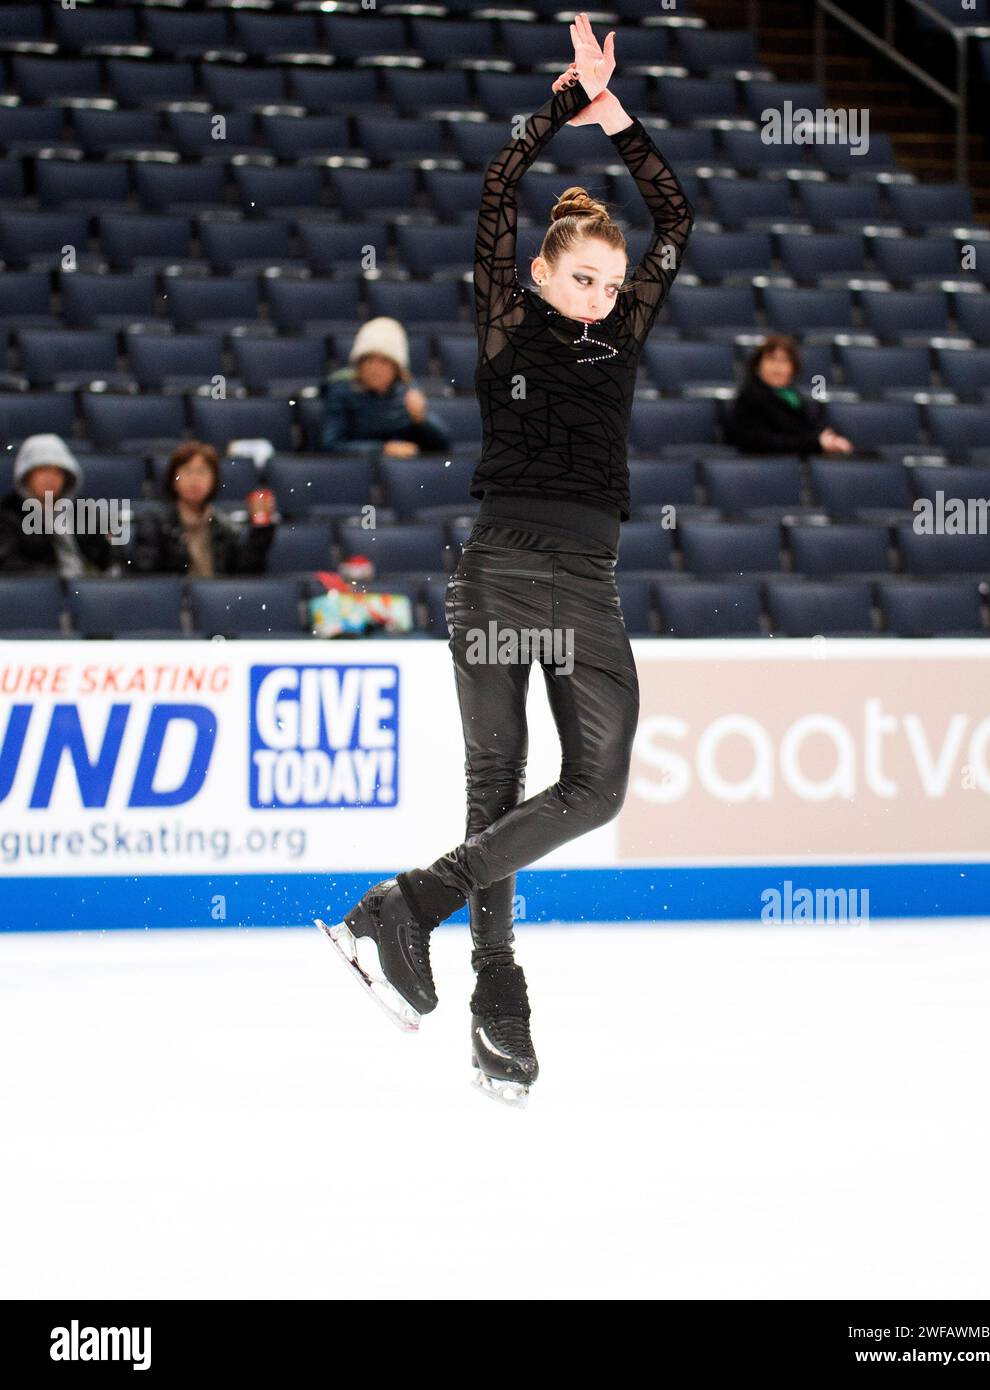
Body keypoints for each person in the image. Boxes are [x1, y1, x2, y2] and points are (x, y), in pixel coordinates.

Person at [317, 15, 694, 1103]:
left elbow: (674, 211)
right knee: (495, 793)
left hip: (585, 581)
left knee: (594, 787)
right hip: (499, 567)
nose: (600, 296)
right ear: (542, 271)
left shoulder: (619, 338)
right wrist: (555, 108)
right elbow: (495, 184)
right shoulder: (502, 320)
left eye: (610, 284)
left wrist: (613, 110)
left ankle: (406, 904)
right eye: (581, 279)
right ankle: (497, 997)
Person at [131, 440, 276, 576]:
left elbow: (245, 573)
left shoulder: (224, 526)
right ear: (173, 479)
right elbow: (147, 575)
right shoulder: (154, 523)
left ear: (214, 480)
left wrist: (261, 525)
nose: (195, 479)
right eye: (187, 471)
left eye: (202, 472)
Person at [319, 316, 451, 458]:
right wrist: (383, 449)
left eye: (383, 362)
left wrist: (421, 419)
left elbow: (442, 444)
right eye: (368, 360)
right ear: (359, 365)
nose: (374, 369)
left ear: (397, 370)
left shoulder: (406, 390)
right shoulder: (341, 390)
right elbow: (331, 445)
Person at [0, 433, 116, 575]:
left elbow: (107, 559)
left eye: (57, 472)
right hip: (40, 592)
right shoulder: (7, 514)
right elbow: (8, 564)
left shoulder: (83, 511)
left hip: (89, 590)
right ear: (26, 476)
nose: (50, 478)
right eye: (43, 470)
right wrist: (56, 577)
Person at [726, 333, 854, 457]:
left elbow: (812, 427)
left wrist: (829, 439)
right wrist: (816, 444)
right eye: (771, 359)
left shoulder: (794, 396)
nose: (777, 367)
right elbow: (760, 442)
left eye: (784, 361)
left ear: (793, 368)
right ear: (758, 365)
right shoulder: (750, 396)